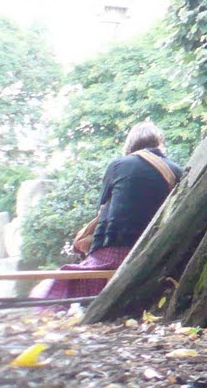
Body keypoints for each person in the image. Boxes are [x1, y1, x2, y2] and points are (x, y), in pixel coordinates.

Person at [32, 121, 181, 305]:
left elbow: (102, 209)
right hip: (152, 254)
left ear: (131, 144)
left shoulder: (118, 165)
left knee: (43, 293)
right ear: (159, 143)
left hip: (111, 253)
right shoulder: (175, 170)